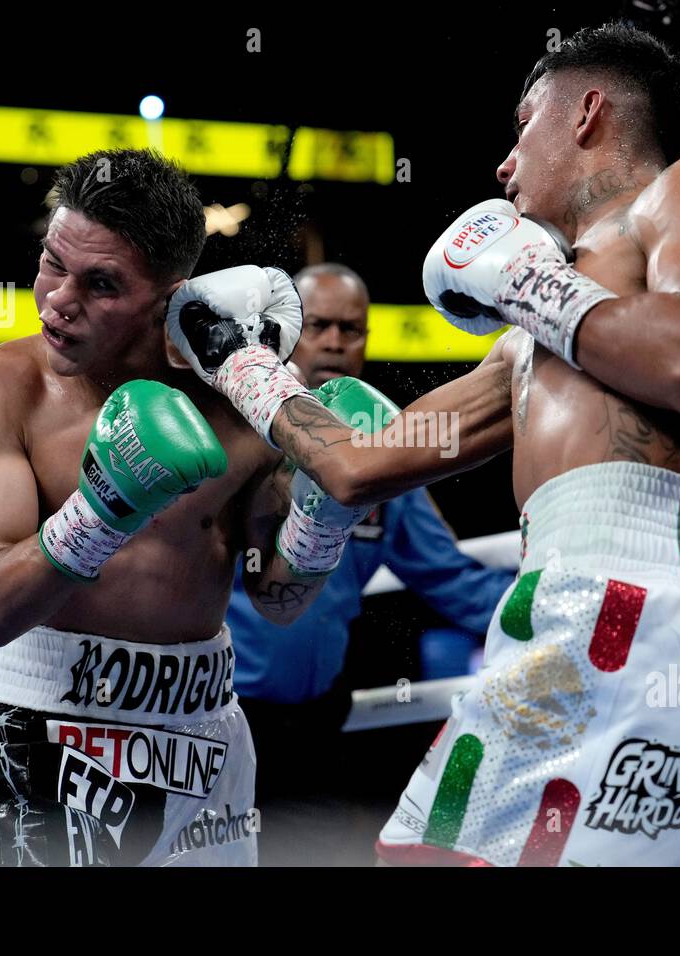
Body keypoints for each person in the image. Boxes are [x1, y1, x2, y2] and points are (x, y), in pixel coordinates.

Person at [167, 20, 680, 866]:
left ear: (587, 112)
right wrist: (239, 364)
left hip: (611, 624)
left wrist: (524, 279)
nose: (502, 167)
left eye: (522, 123)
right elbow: (357, 467)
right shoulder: (531, 343)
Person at [0, 148, 383, 866]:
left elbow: (276, 598)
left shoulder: (239, 398)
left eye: (101, 285)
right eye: (52, 262)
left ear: (168, 296)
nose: (59, 298)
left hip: (205, 733)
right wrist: (103, 508)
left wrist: (320, 521)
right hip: (53, 728)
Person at [225, 263, 514, 864]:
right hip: (217, 718)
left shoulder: (381, 456)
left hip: (316, 728)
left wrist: (559, 602)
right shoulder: (235, 437)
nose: (334, 341)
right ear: (282, 330)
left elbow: (452, 580)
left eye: (351, 329)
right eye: (319, 325)